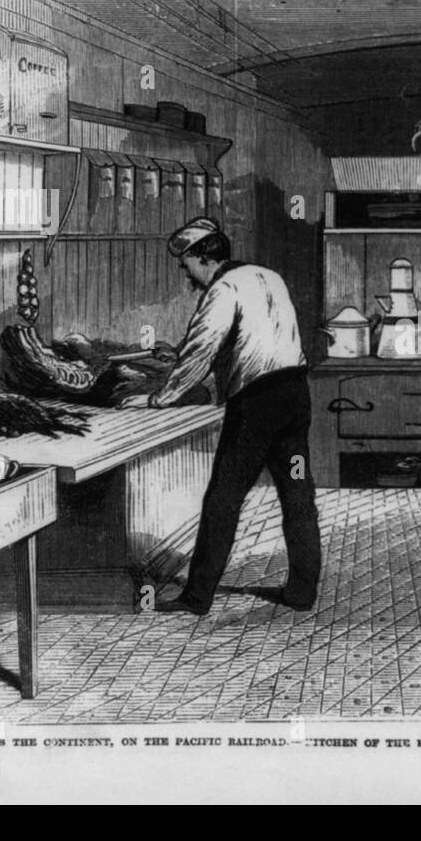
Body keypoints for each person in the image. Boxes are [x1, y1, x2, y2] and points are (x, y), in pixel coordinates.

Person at [118, 217, 321, 614]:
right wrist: (178, 354)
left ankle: (197, 597)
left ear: (200, 257)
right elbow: (253, 336)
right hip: (295, 398)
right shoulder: (269, 276)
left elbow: (202, 349)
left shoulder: (222, 289)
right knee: (298, 493)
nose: (184, 273)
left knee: (223, 498)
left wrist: (160, 398)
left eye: (186, 264)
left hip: (256, 407)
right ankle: (301, 592)